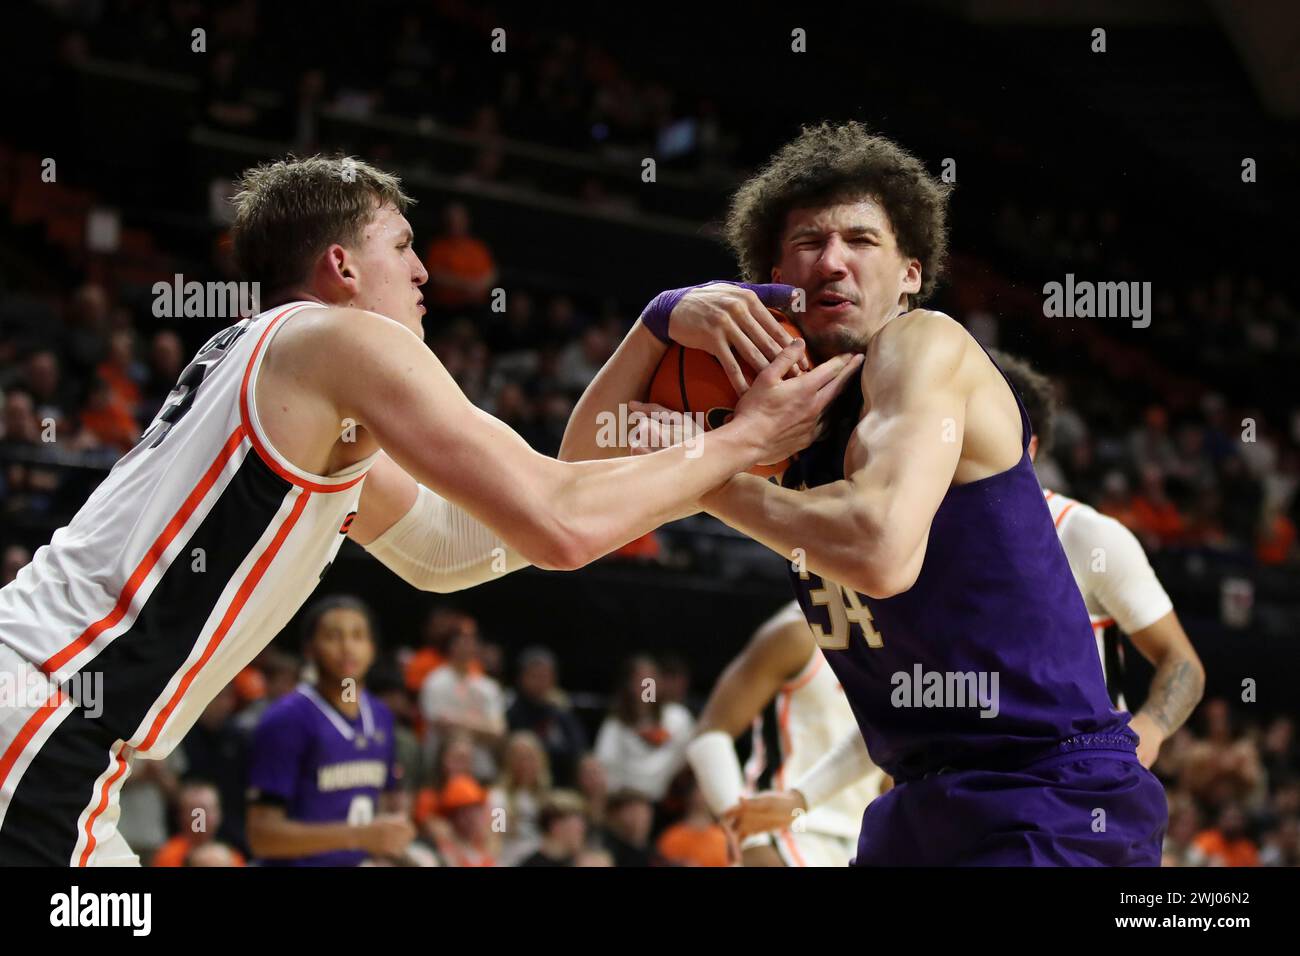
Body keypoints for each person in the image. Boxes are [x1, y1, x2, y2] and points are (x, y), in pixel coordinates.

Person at [0, 153, 854, 865]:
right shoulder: (344, 340)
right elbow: (559, 523)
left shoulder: (281, 372)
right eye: (403, 246)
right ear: (340, 265)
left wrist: (654, 335)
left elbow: (452, 549)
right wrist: (741, 442)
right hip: (41, 727)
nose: (422, 271)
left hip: (53, 734)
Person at [566, 121, 1168, 865]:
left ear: (911, 273)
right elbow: (581, 462)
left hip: (1049, 789)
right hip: (917, 802)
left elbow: (878, 549)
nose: (834, 262)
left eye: (861, 240)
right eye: (809, 243)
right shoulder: (772, 400)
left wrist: (715, 466)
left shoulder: (924, 346)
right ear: (769, 278)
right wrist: (659, 318)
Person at [728, 352, 1205, 847]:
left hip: (1062, 787)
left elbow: (1183, 663)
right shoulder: (902, 538)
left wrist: (1145, 734)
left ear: (1024, 446)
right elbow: (910, 702)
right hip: (948, 795)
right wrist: (803, 796)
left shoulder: (1087, 536)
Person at [686, 602, 882, 867]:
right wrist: (749, 842)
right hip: (788, 832)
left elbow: (884, 756)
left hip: (863, 837)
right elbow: (708, 738)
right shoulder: (796, 632)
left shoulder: (895, 639)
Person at [245, 595, 411, 866]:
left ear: (372, 648)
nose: (348, 647)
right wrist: (359, 836)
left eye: (358, 636)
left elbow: (390, 798)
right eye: (334, 636)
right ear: (309, 649)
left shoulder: (381, 715)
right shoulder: (286, 719)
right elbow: (262, 836)